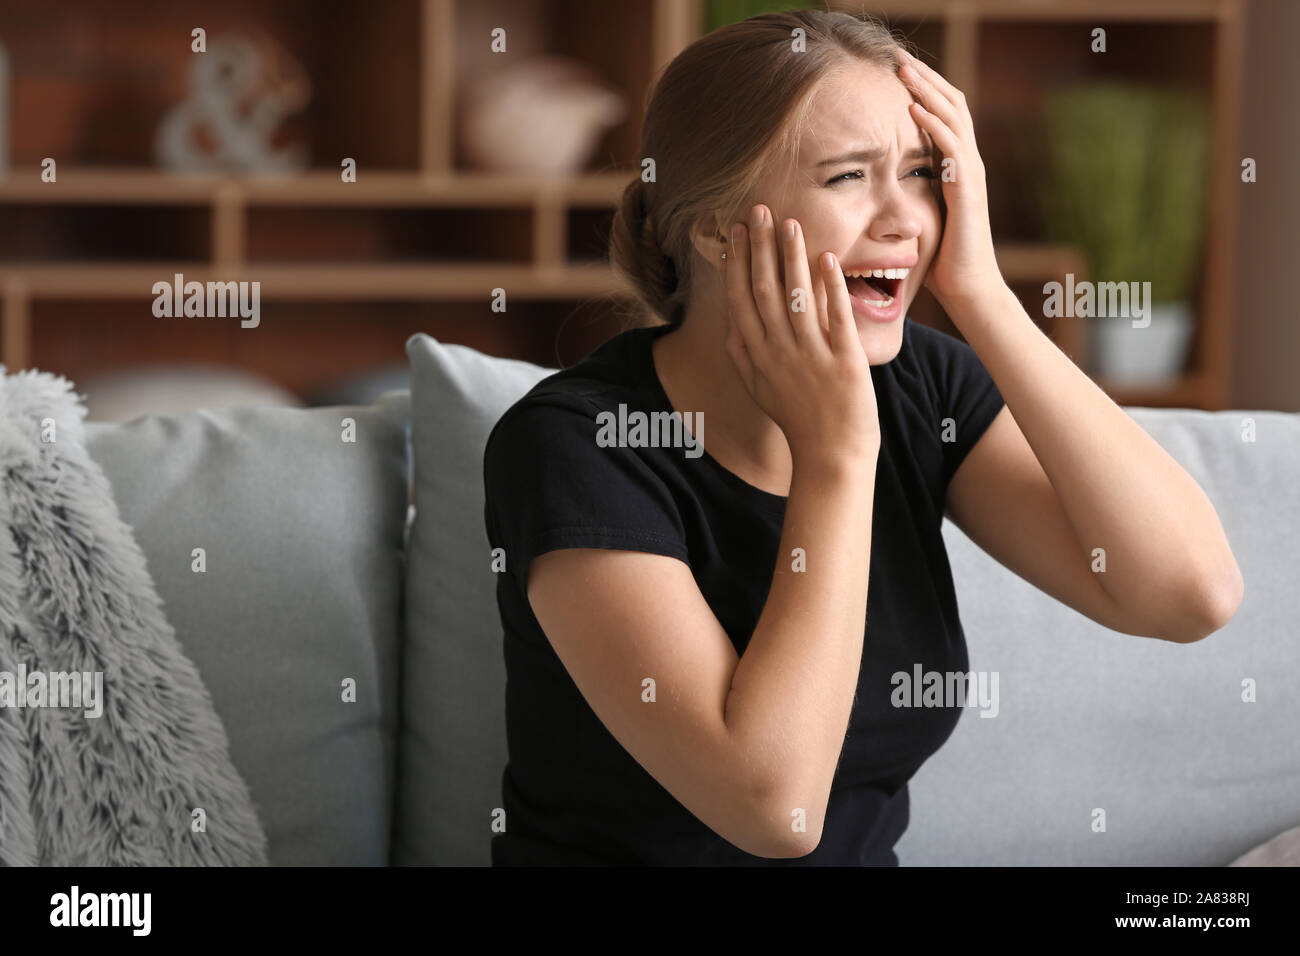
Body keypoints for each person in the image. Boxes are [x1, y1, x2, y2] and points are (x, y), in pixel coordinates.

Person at [483, 9, 1242, 866]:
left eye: (921, 173)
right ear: (716, 227)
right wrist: (837, 457)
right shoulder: (576, 447)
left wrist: (982, 294)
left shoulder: (925, 384)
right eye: (848, 176)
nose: (904, 219)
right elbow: (774, 809)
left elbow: (1192, 596)